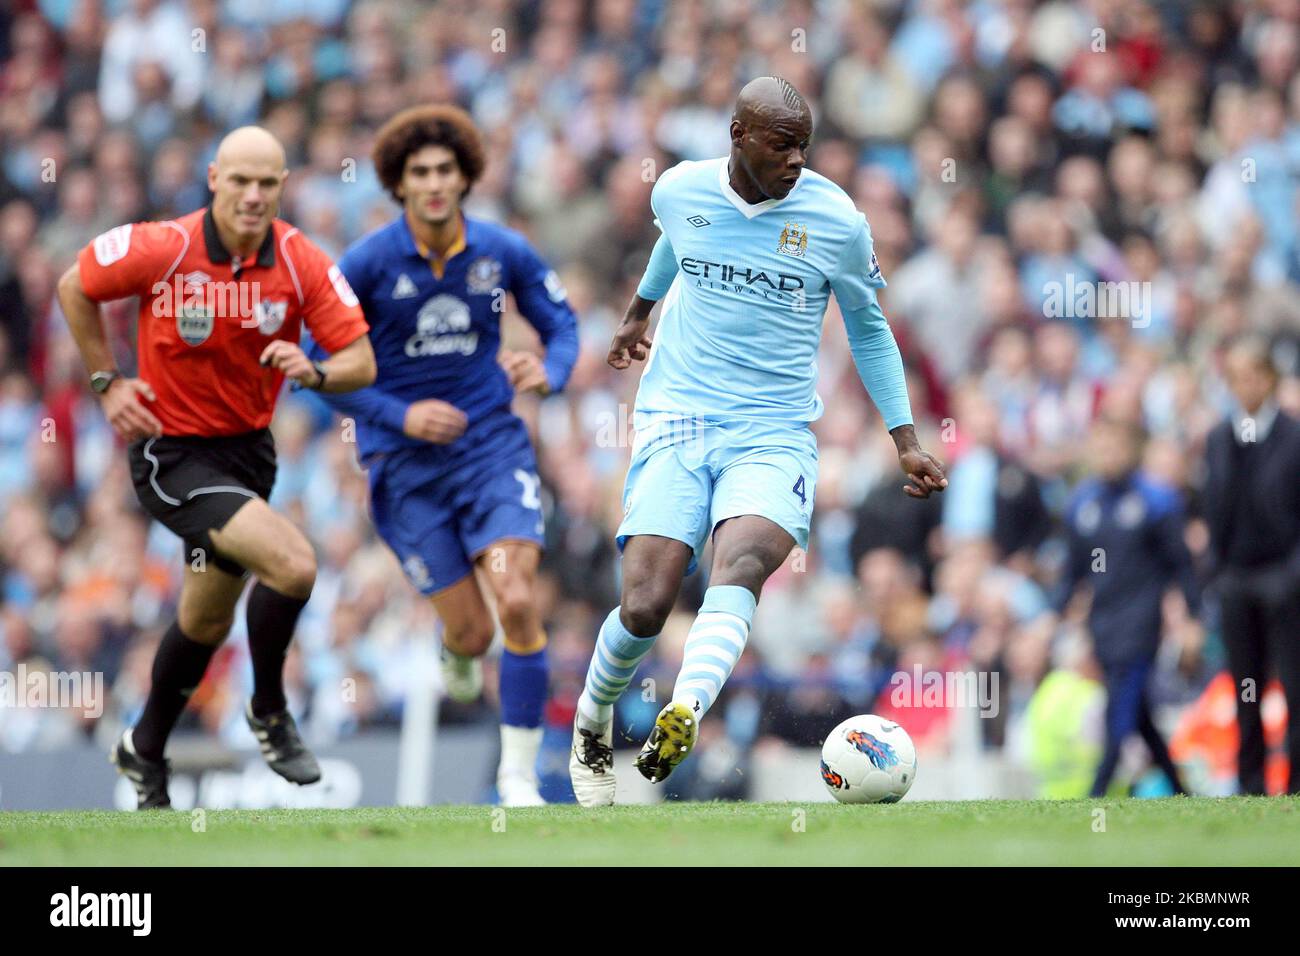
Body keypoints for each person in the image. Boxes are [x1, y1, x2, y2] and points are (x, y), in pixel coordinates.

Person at [568, 77, 946, 806]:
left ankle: (686, 711)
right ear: (738, 136)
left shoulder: (836, 220)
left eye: (804, 144)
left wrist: (903, 438)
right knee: (646, 604)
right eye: (782, 144)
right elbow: (677, 246)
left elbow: (869, 326)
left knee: (739, 561)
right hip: (678, 414)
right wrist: (638, 313)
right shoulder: (679, 190)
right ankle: (591, 720)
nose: (797, 159)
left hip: (772, 430)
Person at [56, 126, 376, 809]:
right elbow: (72, 285)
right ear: (213, 179)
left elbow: (361, 359)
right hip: (169, 450)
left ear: (283, 186)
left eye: (267, 183)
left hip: (247, 454)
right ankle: (268, 709)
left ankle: (143, 750)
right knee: (293, 563)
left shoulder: (298, 260)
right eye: (241, 181)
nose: (254, 196)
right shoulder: (163, 247)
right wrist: (107, 380)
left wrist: (316, 371)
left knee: (204, 622)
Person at [306, 105, 578, 806]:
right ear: (398, 184)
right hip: (404, 470)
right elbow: (314, 363)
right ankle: (457, 649)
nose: (433, 183)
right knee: (472, 627)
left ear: (465, 179)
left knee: (517, 597)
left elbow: (561, 322)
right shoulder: (366, 263)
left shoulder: (501, 251)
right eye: (418, 172)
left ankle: (517, 776)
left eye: (445, 171)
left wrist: (553, 370)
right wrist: (400, 414)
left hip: (490, 447)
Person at [1052, 417, 1197, 797]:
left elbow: (1182, 565)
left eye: (1114, 446)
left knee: (1122, 709)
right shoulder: (1082, 503)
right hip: (1102, 623)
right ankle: (1182, 790)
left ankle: (1095, 793)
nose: (1107, 455)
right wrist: (1054, 614)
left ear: (1132, 449)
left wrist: (1192, 617)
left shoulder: (1156, 501)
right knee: (1139, 713)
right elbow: (1072, 571)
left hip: (1142, 621)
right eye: (1100, 447)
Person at [1202, 336, 1300, 794]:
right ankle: (1251, 780)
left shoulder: (1293, 436)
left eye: (1253, 376)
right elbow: (1214, 508)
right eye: (1237, 378)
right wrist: (1219, 572)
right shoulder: (1220, 439)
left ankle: (1296, 781)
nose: (1245, 386)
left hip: (1284, 574)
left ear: (1271, 379)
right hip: (1237, 577)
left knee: (1294, 681)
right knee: (1245, 685)